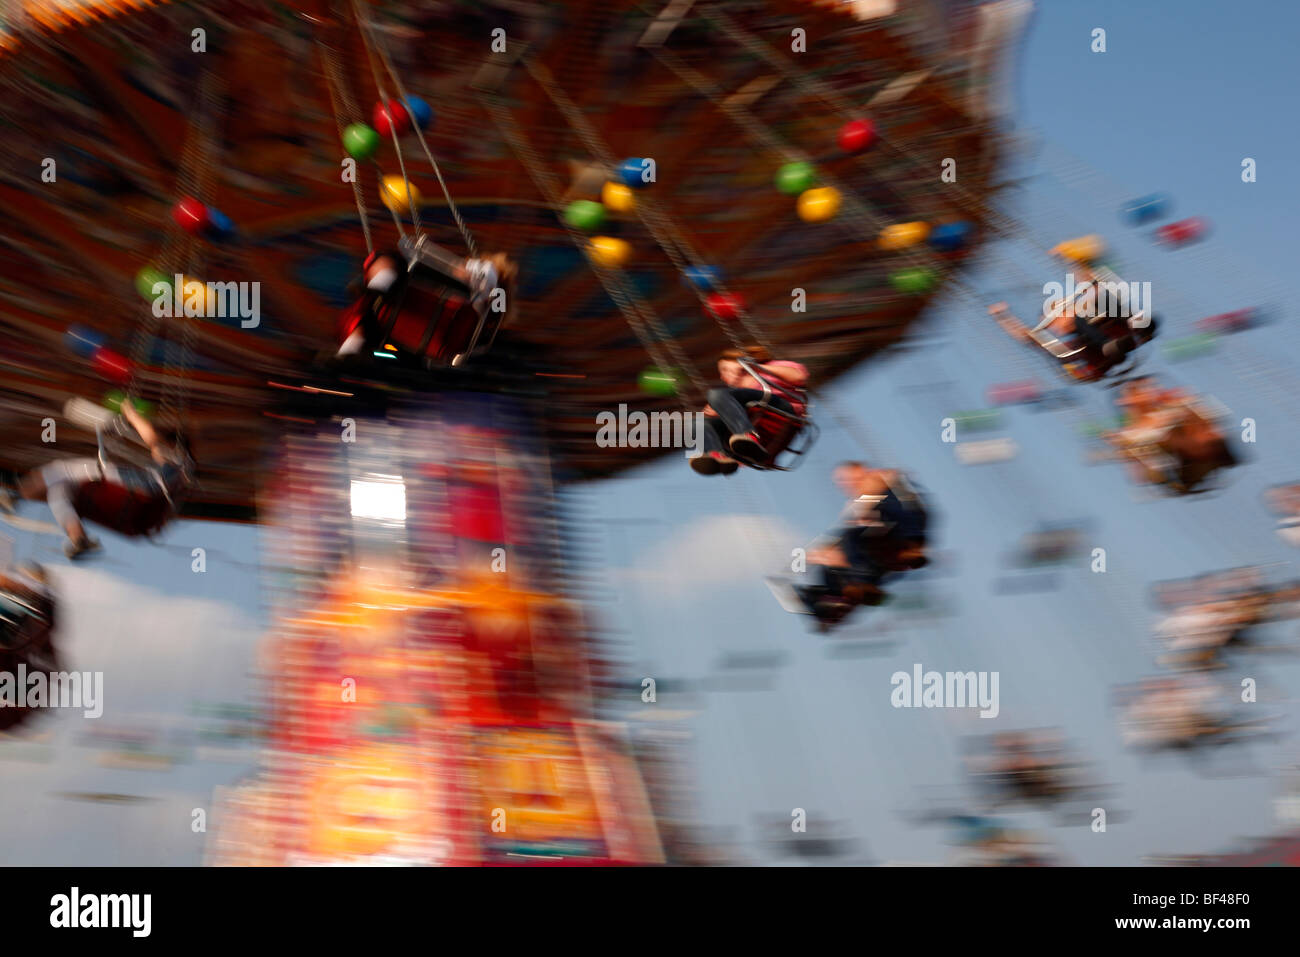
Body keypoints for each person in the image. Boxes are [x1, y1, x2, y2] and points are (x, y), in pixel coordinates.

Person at [0, 400, 193, 558]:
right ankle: (79, 539)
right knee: (58, 490)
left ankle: (16, 496)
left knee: (60, 469)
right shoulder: (183, 476)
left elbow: (153, 441)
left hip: (141, 487)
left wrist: (132, 415)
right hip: (142, 509)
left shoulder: (177, 457)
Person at [768, 461, 929, 629]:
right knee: (836, 558)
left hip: (894, 536)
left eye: (850, 479)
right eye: (842, 482)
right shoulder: (861, 501)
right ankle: (829, 606)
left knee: (853, 537)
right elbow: (840, 534)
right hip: (874, 557)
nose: (847, 485)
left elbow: (867, 514)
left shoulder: (881, 486)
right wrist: (812, 556)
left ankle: (906, 550)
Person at [335, 248, 518, 363]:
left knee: (385, 258)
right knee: (366, 310)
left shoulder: (487, 279)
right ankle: (359, 332)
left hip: (417, 307)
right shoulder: (484, 320)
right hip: (422, 332)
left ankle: (379, 285)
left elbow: (479, 274)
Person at [691, 344, 809, 476]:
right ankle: (718, 455)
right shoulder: (732, 395)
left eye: (724, 369)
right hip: (756, 421)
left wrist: (753, 367)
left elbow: (799, 377)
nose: (722, 377)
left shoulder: (772, 367)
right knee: (698, 423)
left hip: (780, 409)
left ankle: (748, 435)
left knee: (716, 395)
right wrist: (716, 411)